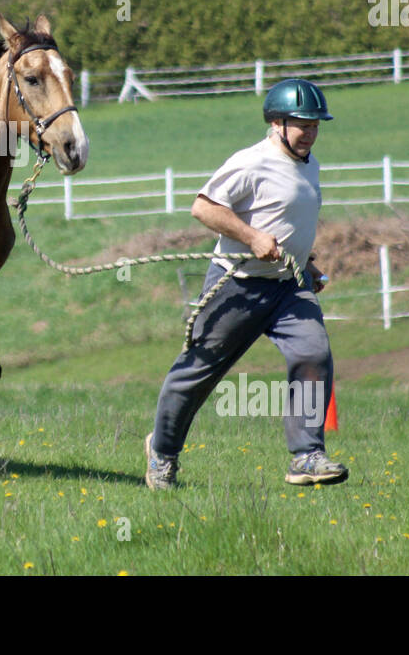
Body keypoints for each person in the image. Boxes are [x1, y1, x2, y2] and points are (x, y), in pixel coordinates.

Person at [144, 77, 347, 490]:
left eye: (315, 125)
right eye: (302, 124)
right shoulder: (251, 162)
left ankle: (307, 456)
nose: (310, 132)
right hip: (238, 285)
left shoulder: (310, 165)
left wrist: (305, 264)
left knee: (313, 352)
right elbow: (203, 208)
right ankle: (162, 453)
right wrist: (252, 237)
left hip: (288, 285)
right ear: (276, 123)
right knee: (197, 372)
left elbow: (287, 219)